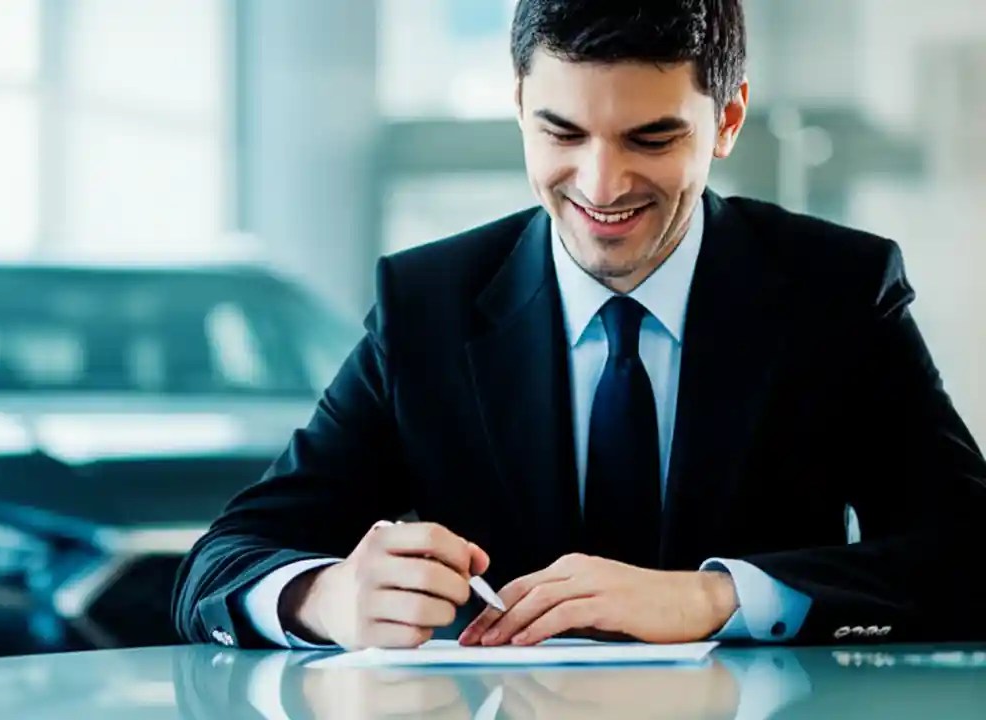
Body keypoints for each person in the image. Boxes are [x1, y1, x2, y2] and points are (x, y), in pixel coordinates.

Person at [171, 0, 986, 651]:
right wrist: (325, 598)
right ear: (520, 104)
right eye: (562, 132)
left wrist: (717, 595)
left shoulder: (836, 292)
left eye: (653, 136)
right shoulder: (428, 304)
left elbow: (967, 549)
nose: (602, 185)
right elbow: (221, 563)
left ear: (729, 119)